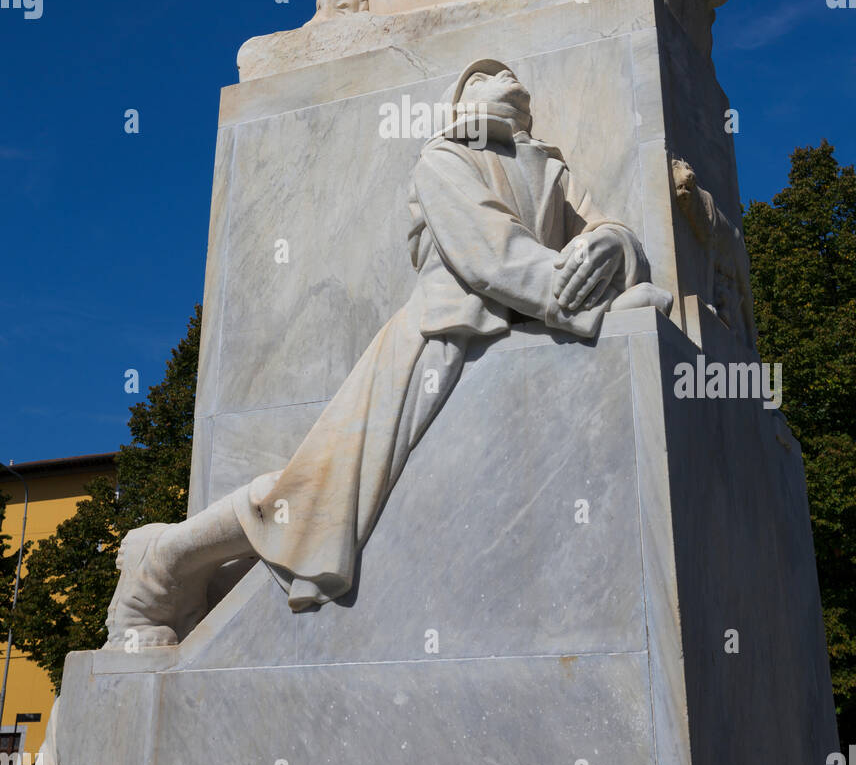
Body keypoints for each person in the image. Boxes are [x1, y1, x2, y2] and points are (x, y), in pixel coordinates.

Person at [104, 60, 671, 646]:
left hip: (512, 328)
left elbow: (605, 228)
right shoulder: (444, 160)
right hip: (436, 340)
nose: (502, 76)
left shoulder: (550, 167)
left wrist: (611, 244)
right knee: (316, 492)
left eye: (508, 74)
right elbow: (490, 255)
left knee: (317, 491)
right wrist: (581, 298)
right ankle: (162, 560)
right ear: (461, 101)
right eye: (482, 75)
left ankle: (168, 555)